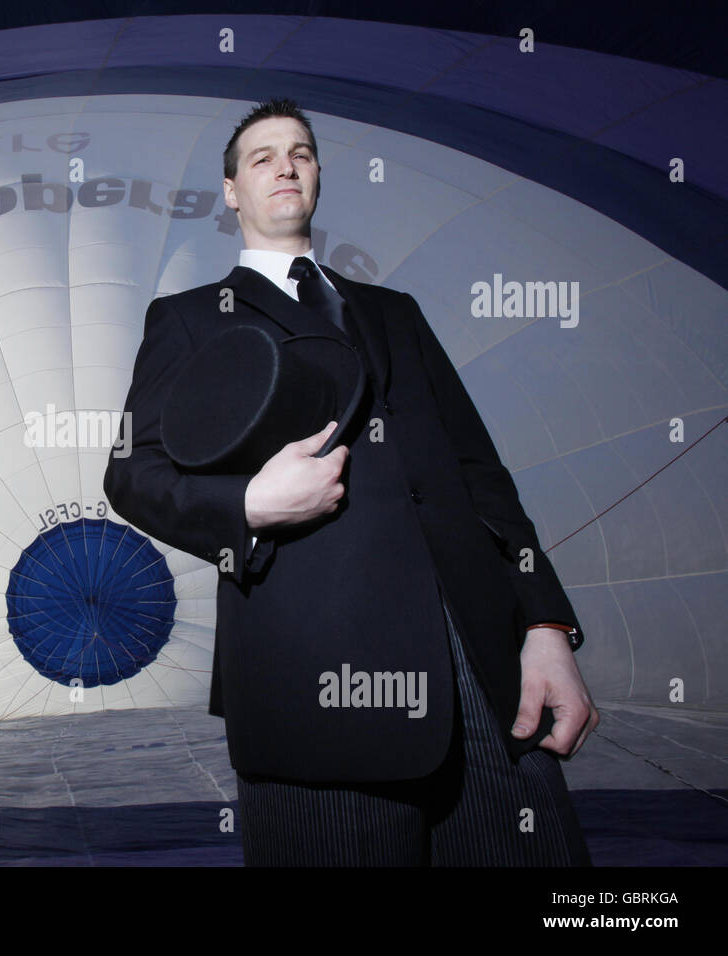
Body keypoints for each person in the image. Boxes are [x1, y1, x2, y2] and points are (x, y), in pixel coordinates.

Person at [102, 98, 599, 865]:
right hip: (314, 679)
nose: (285, 165)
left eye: (300, 151)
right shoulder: (190, 317)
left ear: (319, 176)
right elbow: (133, 472)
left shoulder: (396, 312)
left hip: (484, 671)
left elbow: (479, 475)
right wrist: (246, 505)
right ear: (232, 191)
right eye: (262, 157)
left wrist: (544, 627)